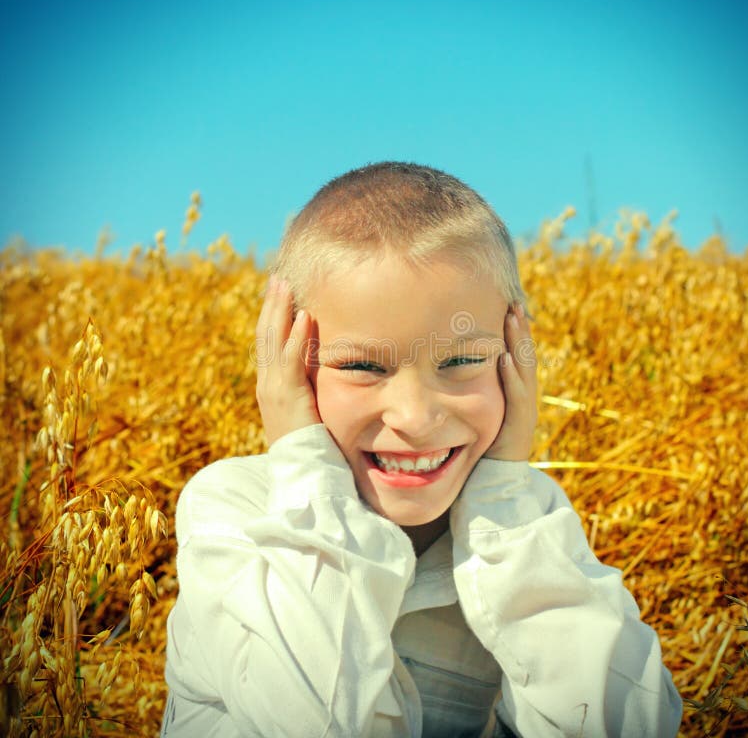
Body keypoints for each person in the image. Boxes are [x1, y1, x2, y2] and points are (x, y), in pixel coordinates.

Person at [161, 162, 683, 738]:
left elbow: (625, 724)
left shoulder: (525, 520)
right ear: (287, 366)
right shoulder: (233, 510)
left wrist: (503, 499)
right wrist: (305, 466)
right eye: (361, 366)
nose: (414, 417)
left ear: (516, 359)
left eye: (461, 362)